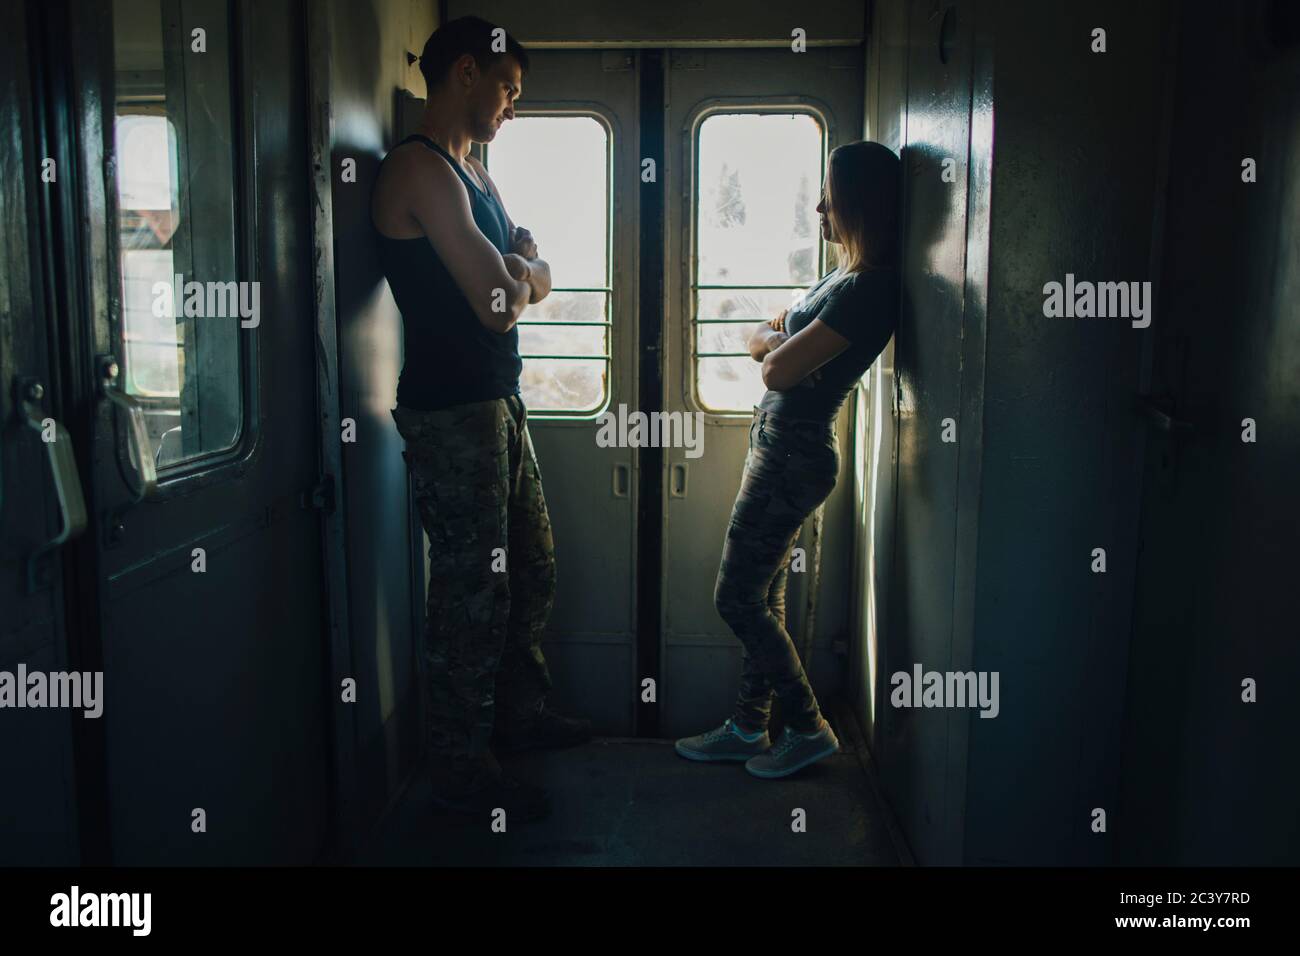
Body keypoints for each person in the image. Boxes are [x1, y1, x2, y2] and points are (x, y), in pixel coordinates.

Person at [370, 15, 590, 823]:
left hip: (500, 401)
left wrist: (522, 270)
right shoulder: (419, 170)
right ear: (466, 72)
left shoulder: (476, 176)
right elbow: (503, 299)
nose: (512, 106)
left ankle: (518, 716)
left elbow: (535, 273)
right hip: (450, 413)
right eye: (508, 88)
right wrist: (523, 269)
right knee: (474, 592)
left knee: (532, 568)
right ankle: (460, 767)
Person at [675, 141, 902, 778]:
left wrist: (776, 344)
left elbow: (774, 368)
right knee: (764, 595)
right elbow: (765, 340)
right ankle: (749, 726)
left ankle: (806, 725)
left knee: (735, 597)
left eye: (831, 198)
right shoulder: (840, 278)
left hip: (794, 455)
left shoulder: (869, 289)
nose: (820, 209)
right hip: (777, 447)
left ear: (860, 203)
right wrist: (775, 343)